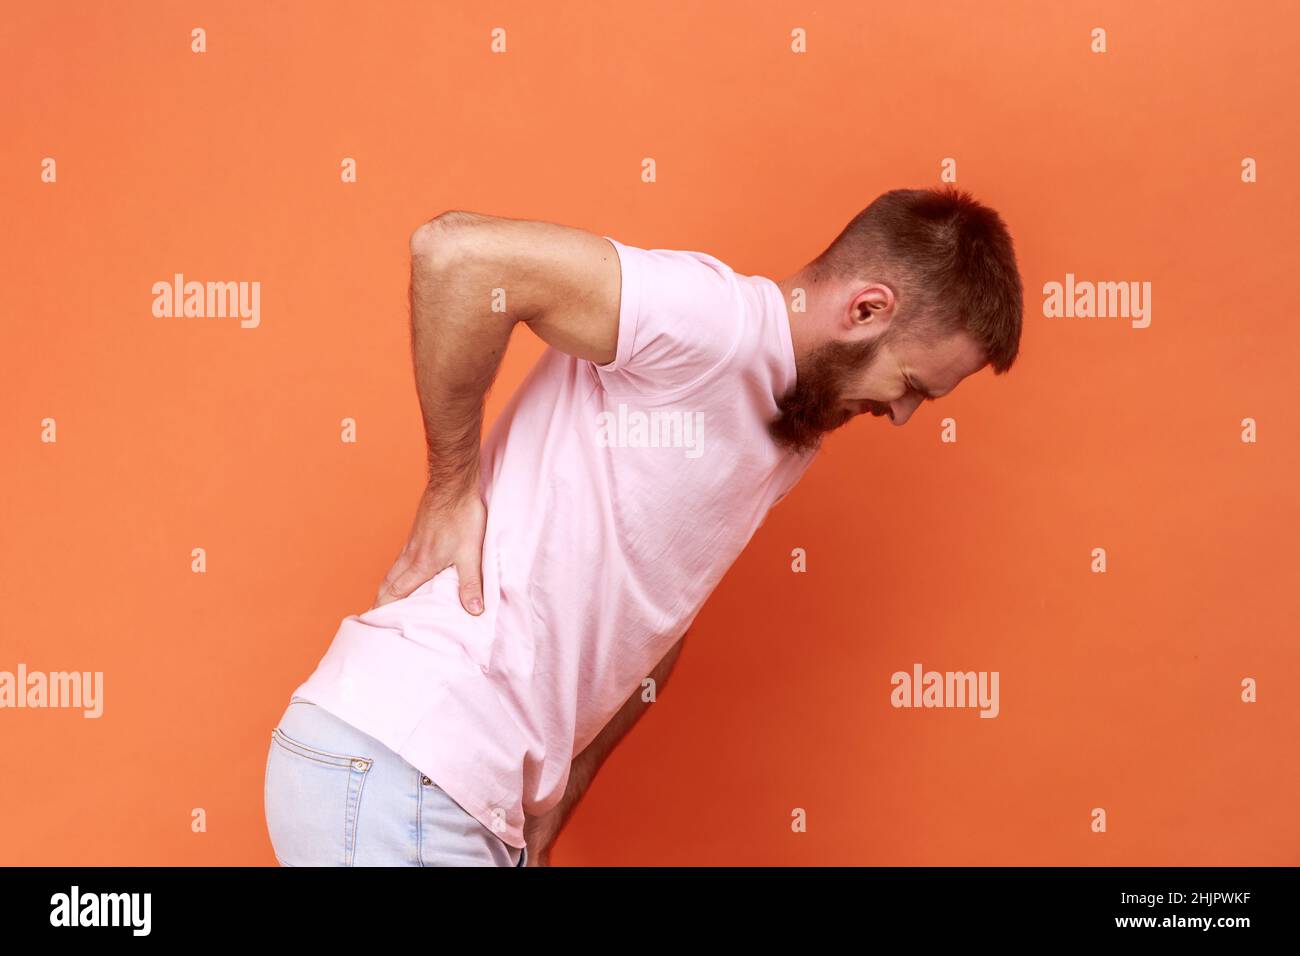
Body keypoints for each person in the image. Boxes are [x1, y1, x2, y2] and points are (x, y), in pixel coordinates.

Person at [262, 186, 1024, 866]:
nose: (901, 414)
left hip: (454, 791)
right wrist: (449, 487)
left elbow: (662, 609)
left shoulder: (790, 434)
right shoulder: (716, 321)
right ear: (866, 309)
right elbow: (458, 255)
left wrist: (564, 789)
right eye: (913, 385)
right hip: (407, 762)